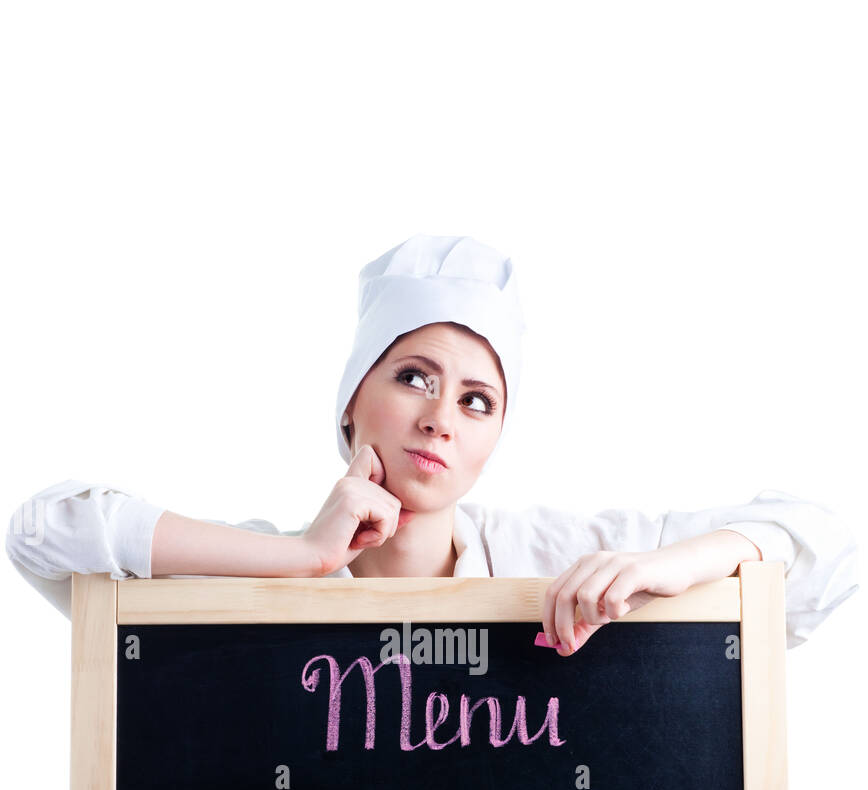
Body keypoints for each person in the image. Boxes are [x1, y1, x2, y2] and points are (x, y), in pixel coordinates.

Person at [5, 233, 859, 652]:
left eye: (477, 400)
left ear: (493, 438)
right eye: (414, 376)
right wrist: (301, 558)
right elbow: (43, 532)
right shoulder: (251, 586)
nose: (441, 416)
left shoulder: (555, 559)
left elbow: (831, 552)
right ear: (351, 403)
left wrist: (677, 565)